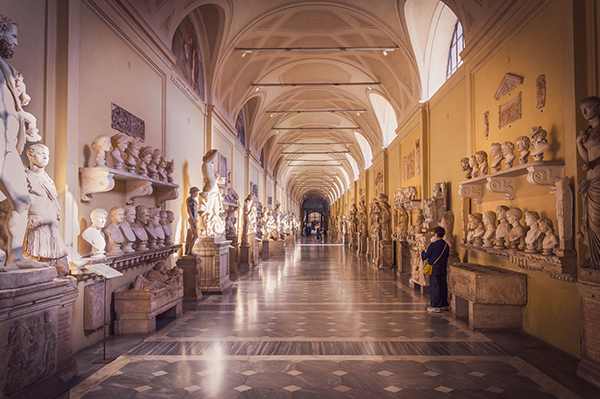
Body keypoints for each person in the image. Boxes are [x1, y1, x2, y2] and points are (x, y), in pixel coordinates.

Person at [421, 226, 450, 313]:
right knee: (443, 285)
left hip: (434, 268)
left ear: (436, 234)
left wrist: (422, 252)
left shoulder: (433, 245)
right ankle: (444, 304)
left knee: (435, 287)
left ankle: (435, 306)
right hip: (443, 267)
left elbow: (426, 256)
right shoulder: (446, 245)